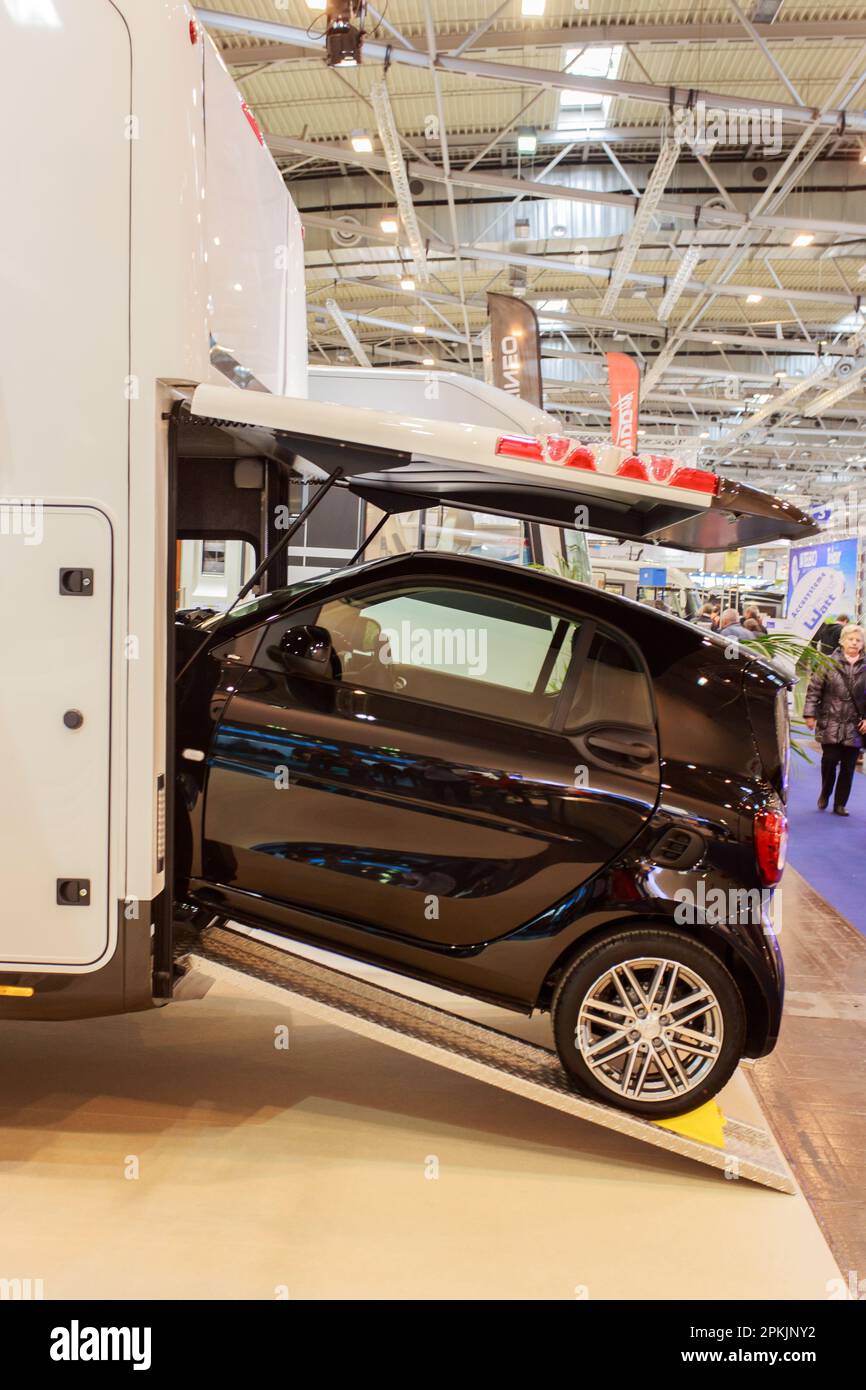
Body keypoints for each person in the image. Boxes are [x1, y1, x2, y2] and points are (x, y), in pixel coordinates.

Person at [803, 624, 866, 816]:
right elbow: (814, 689)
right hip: (831, 720)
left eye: (858, 640)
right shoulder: (827, 663)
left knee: (848, 767)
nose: (854, 643)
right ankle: (825, 792)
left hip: (855, 726)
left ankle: (840, 804)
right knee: (829, 762)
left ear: (863, 644)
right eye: (851, 639)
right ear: (842, 641)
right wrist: (810, 714)